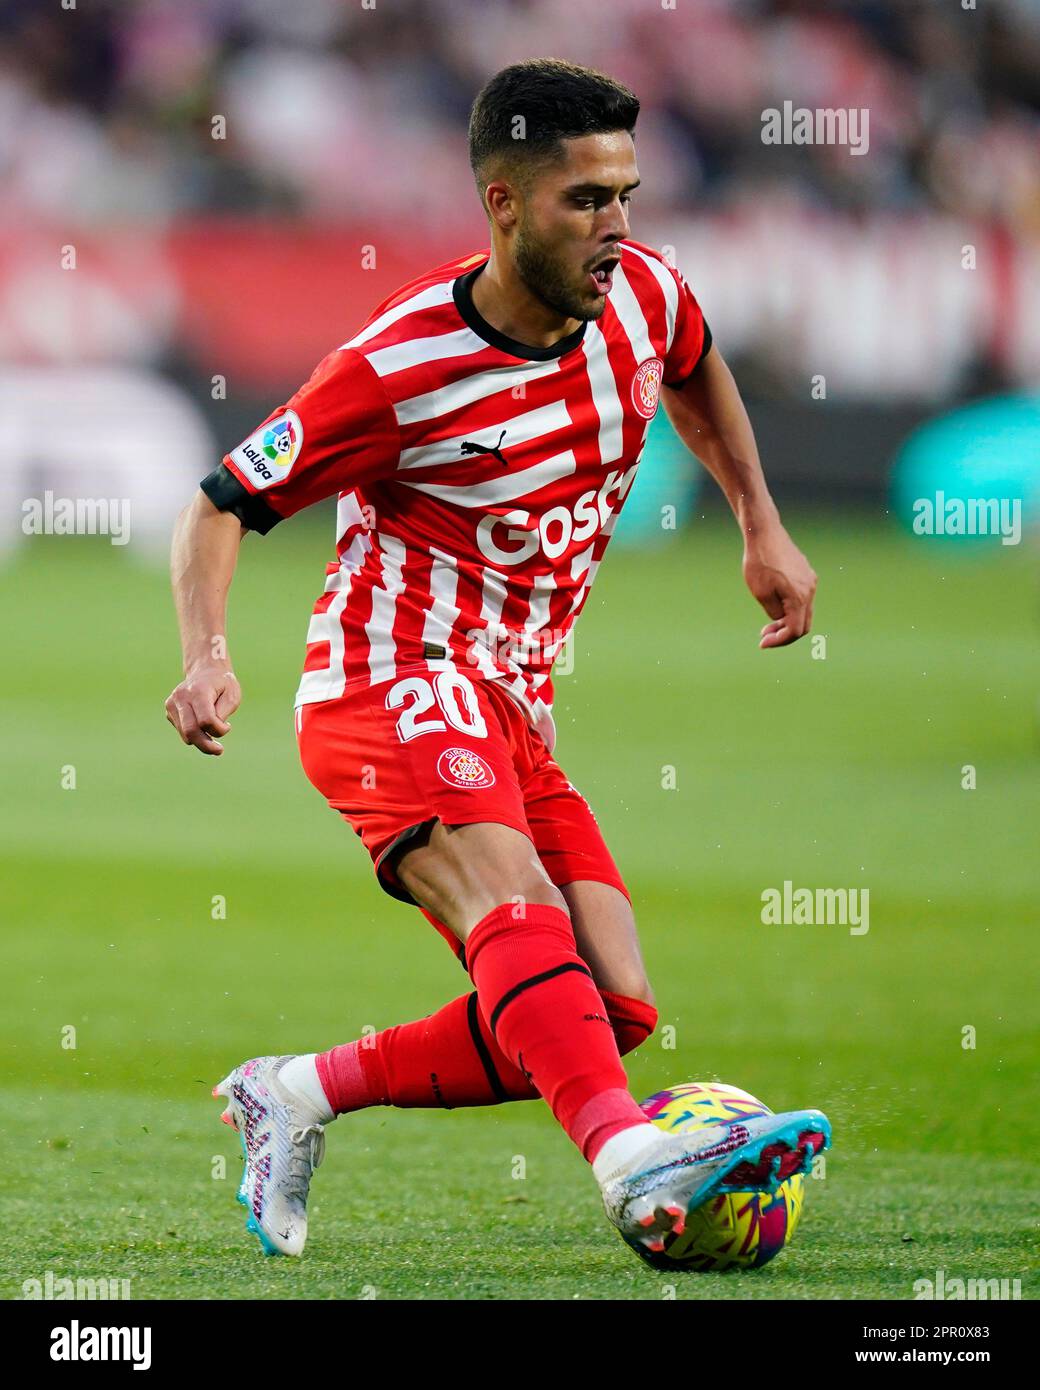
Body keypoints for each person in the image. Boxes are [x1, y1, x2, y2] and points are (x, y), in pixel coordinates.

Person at [166, 58, 829, 1259]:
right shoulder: (394, 367)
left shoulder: (643, 293)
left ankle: (295, 1091)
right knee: (515, 916)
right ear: (505, 202)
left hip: (513, 701)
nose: (615, 227)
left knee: (606, 1006)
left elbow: (693, 366)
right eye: (585, 200)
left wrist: (759, 523)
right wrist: (207, 654)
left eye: (625, 194)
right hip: (390, 681)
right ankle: (629, 1159)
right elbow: (219, 504)